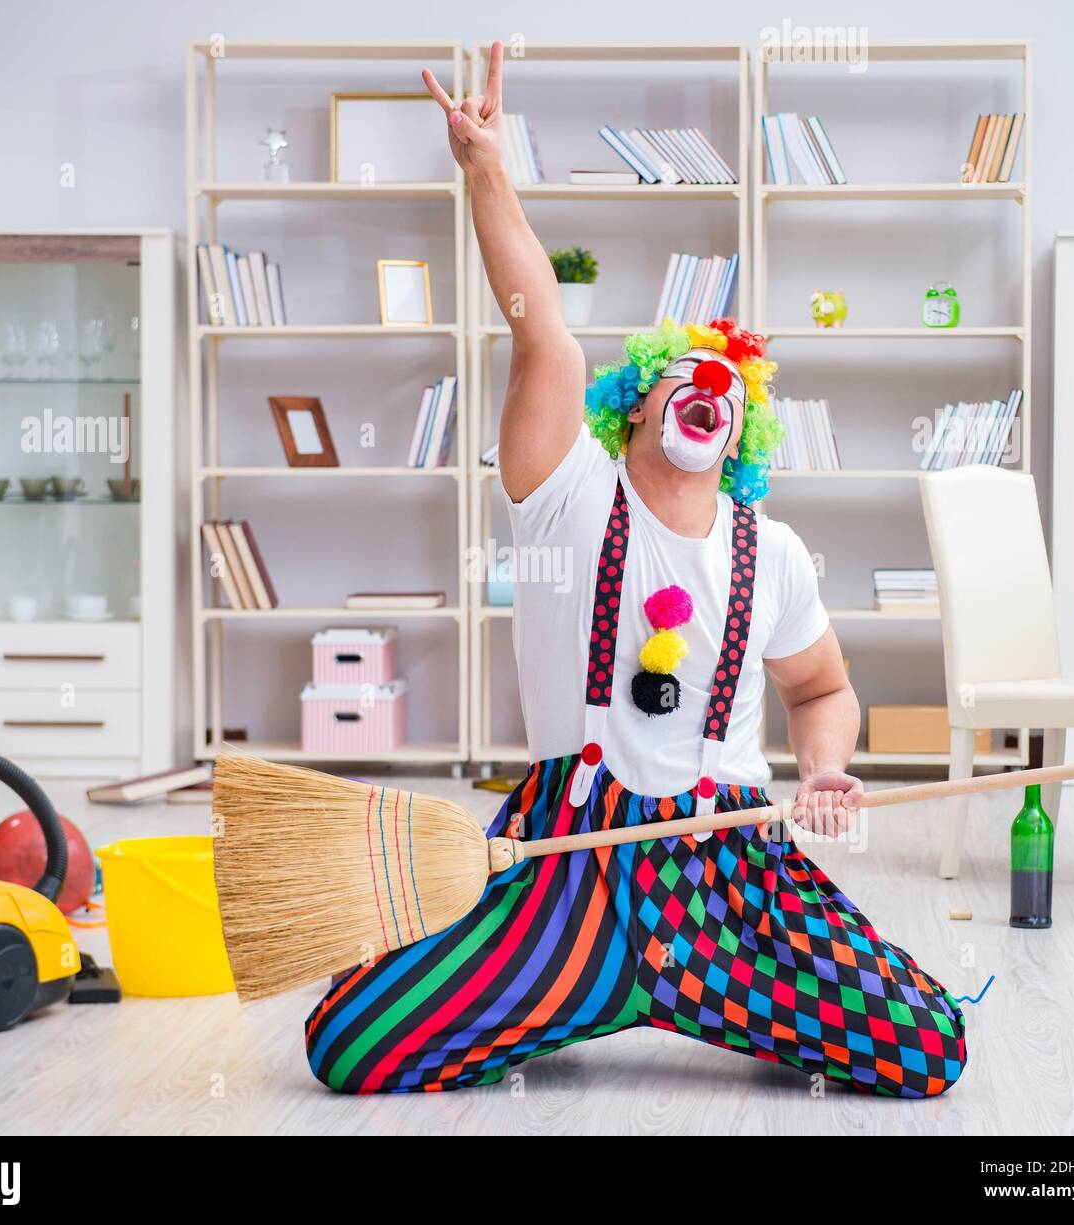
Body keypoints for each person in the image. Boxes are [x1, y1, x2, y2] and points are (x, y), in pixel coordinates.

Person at [305, 42, 966, 1098]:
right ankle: (566, 992)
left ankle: (713, 991)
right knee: (347, 1045)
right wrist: (485, 170)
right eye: (680, 377)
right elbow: (544, 343)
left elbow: (822, 688)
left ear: (741, 423)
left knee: (928, 1047)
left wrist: (828, 765)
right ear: (637, 405)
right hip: (567, 870)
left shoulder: (776, 552)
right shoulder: (566, 493)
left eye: (727, 385)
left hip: (732, 869)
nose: (707, 388)